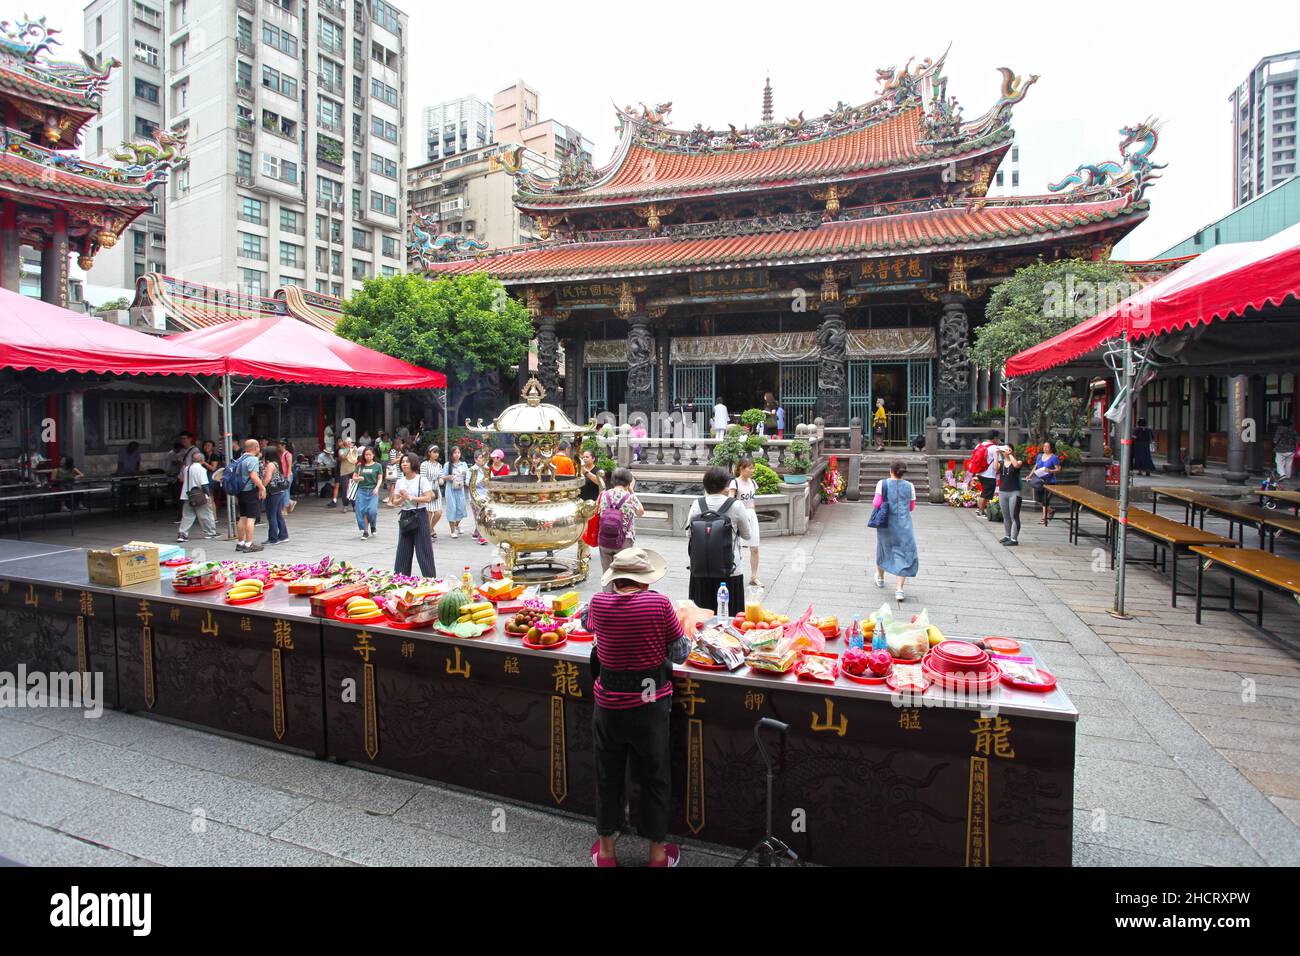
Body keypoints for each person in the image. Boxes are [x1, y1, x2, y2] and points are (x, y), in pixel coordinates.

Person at [584, 547, 689, 868]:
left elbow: (588, 626)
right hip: (650, 706)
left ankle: (606, 852)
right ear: (645, 580)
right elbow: (681, 652)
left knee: (608, 774)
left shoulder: (599, 603)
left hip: (609, 707)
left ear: (615, 579)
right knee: (655, 775)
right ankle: (657, 854)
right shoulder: (660, 604)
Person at [686, 465, 757, 613]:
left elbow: (689, 534)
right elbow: (747, 535)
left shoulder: (697, 504)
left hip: (701, 568)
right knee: (730, 616)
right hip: (730, 569)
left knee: (702, 617)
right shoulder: (736, 505)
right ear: (726, 485)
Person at [871, 460, 918, 603]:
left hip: (886, 525)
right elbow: (911, 507)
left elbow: (876, 503)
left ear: (891, 470)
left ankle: (880, 578)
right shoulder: (910, 486)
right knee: (903, 555)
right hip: (904, 526)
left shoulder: (882, 484)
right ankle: (899, 590)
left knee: (884, 550)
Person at [388, 452, 436, 577]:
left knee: (424, 550)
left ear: (413, 463)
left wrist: (411, 497)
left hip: (420, 514)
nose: (404, 464)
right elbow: (395, 501)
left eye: (407, 462)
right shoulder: (400, 481)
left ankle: (430, 579)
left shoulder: (421, 479)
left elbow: (428, 498)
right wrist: (403, 498)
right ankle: (401, 579)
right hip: (405, 515)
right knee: (403, 550)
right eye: (402, 462)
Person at [596, 467, 645, 578]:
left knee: (607, 574)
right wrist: (631, 492)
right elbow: (641, 512)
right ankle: (620, 595)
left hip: (605, 538)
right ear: (628, 482)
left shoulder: (604, 495)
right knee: (622, 575)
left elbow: (598, 512)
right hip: (624, 541)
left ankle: (607, 594)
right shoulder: (630, 497)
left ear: (613, 481)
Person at [728, 457, 763, 587]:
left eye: (753, 467)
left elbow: (752, 502)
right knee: (735, 547)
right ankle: (733, 573)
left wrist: (752, 513)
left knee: (755, 547)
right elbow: (730, 501)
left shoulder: (753, 482)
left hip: (751, 515)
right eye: (750, 468)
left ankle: (754, 576)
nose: (752, 470)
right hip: (738, 515)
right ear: (741, 468)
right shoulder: (734, 483)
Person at [231, 439, 266, 553]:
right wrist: (262, 487)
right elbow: (254, 477)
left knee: (242, 517)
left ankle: (240, 543)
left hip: (240, 491)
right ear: (256, 448)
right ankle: (249, 544)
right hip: (250, 491)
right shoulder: (252, 459)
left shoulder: (240, 459)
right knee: (251, 518)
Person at [178, 447, 216, 541]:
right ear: (202, 460)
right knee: (205, 515)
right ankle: (210, 532)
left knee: (187, 515)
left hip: (188, 495)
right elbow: (204, 484)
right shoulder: (201, 469)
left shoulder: (187, 468)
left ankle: (182, 534)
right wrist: (208, 495)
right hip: (199, 496)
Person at [353, 445, 385, 539]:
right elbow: (354, 477)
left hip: (372, 491)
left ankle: (373, 525)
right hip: (361, 491)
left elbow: (380, 478)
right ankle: (365, 531)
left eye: (369, 455)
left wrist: (377, 488)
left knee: (372, 511)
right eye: (366, 455)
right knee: (363, 511)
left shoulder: (377, 466)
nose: (368, 456)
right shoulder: (360, 465)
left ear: (373, 455)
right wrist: (359, 478)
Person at [1027, 440, 1062, 525]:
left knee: (1045, 499)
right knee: (1038, 499)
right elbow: (1035, 466)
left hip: (1049, 481)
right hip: (1039, 480)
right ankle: (1051, 510)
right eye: (1044, 447)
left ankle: (1044, 518)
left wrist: (1049, 470)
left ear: (1051, 448)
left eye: (1047, 447)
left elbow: (1058, 470)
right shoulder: (1040, 455)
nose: (1045, 448)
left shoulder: (1054, 458)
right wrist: (1030, 475)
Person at [995, 445, 1024, 547]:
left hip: (1014, 492)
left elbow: (1016, 465)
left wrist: (1010, 454)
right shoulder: (1001, 463)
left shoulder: (1018, 461)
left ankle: (1014, 539)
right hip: (1003, 492)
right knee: (1006, 516)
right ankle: (1007, 536)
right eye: (1005, 450)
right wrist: (996, 454)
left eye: (1009, 450)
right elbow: (995, 468)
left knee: (1014, 516)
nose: (1006, 452)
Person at [261, 446, 290, 545]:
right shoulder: (276, 463)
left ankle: (273, 538)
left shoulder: (270, 465)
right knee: (278, 514)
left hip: (273, 493)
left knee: (271, 515)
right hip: (280, 491)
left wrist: (261, 487)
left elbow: (267, 478)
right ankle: (283, 535)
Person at [968, 430, 1000, 517]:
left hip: (980, 473)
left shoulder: (979, 445)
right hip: (989, 474)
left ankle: (981, 510)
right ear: (994, 438)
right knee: (985, 493)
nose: (998, 440)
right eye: (997, 438)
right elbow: (996, 464)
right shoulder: (994, 448)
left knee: (984, 492)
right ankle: (980, 511)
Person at [442, 445, 470, 538]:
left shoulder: (464, 464)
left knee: (461, 508)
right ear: (451, 454)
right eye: (455, 453)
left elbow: (467, 475)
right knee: (452, 508)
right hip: (450, 489)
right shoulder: (447, 464)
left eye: (458, 452)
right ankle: (452, 530)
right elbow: (443, 477)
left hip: (460, 489)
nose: (457, 454)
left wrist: (465, 475)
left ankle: (457, 525)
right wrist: (449, 477)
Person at [420, 445, 445, 541]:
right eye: (434, 452)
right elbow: (422, 478)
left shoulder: (439, 465)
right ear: (429, 453)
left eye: (437, 452)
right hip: (427, 489)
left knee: (438, 512)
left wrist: (441, 480)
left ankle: (430, 529)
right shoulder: (424, 464)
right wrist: (428, 492)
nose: (436, 454)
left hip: (436, 489)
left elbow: (441, 476)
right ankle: (428, 533)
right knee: (429, 512)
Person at [468, 448, 490, 544]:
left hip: (486, 496)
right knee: (480, 516)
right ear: (476, 459)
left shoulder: (486, 469)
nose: (483, 460)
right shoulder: (472, 470)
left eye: (484, 458)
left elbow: (491, 479)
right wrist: (480, 482)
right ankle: (482, 536)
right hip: (475, 497)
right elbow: (467, 482)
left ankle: (476, 532)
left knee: (483, 515)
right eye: (481, 458)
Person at [332, 437, 358, 510]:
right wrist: (348, 450)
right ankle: (345, 505)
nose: (350, 443)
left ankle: (354, 505)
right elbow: (342, 458)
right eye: (348, 441)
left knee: (353, 488)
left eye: (351, 441)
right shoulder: (341, 450)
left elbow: (355, 459)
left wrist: (355, 451)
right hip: (344, 472)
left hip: (353, 470)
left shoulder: (353, 449)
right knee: (345, 488)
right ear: (345, 442)